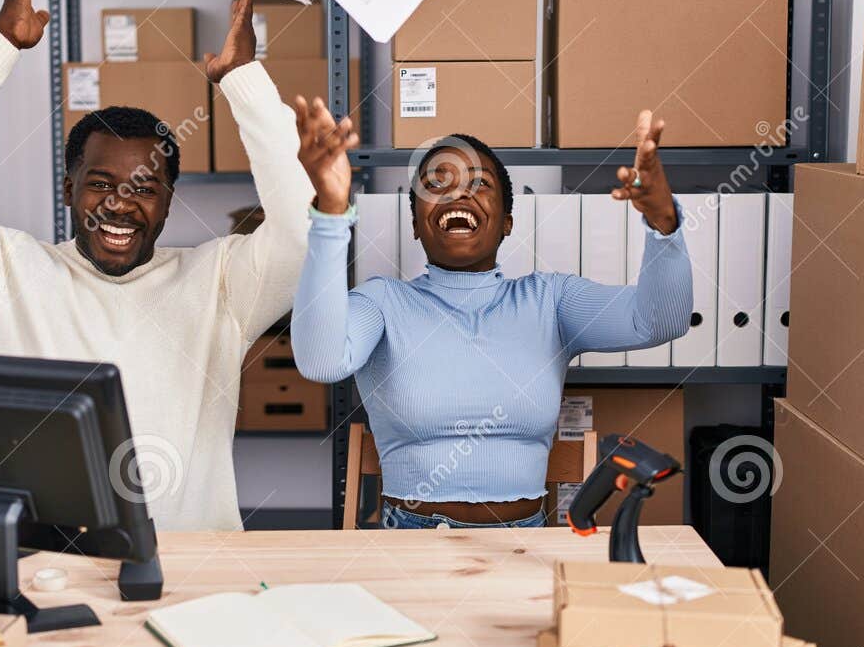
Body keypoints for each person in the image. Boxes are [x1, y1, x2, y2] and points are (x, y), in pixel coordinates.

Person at [0, 0, 314, 532]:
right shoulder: (5, 272)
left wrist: (244, 84)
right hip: (51, 563)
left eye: (143, 188)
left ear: (168, 204)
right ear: (68, 190)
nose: (119, 205)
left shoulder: (221, 282)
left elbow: (299, 229)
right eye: (101, 183)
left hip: (195, 565)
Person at [290, 106, 693, 531]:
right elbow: (321, 361)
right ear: (415, 224)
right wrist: (330, 214)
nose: (457, 195)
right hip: (410, 543)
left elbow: (660, 321)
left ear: (506, 222)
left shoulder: (551, 300)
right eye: (436, 184)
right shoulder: (383, 301)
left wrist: (663, 222)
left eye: (479, 184)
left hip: (526, 544)